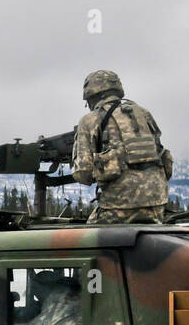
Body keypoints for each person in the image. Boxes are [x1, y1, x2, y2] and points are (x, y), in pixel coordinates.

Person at [71, 70, 173, 224]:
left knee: (84, 236)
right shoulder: (143, 114)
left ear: (91, 96)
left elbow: (83, 173)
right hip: (157, 205)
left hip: (117, 208)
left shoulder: (90, 120)